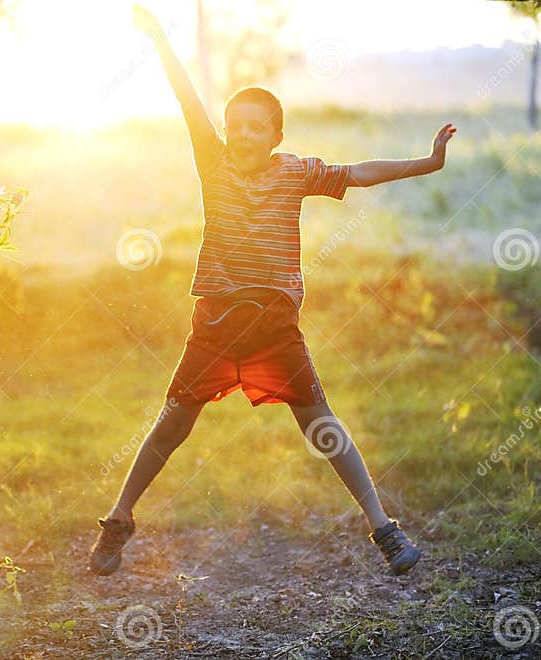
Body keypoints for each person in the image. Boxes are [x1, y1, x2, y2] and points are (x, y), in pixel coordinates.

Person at [90, 6, 457, 578]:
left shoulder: (295, 172)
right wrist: (159, 38)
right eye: (235, 125)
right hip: (214, 326)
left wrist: (427, 163)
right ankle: (119, 518)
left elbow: (359, 173)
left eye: (256, 127)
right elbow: (187, 98)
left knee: (323, 427)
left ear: (276, 136)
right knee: (171, 425)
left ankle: (383, 527)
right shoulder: (212, 163)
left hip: (273, 330)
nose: (243, 135)